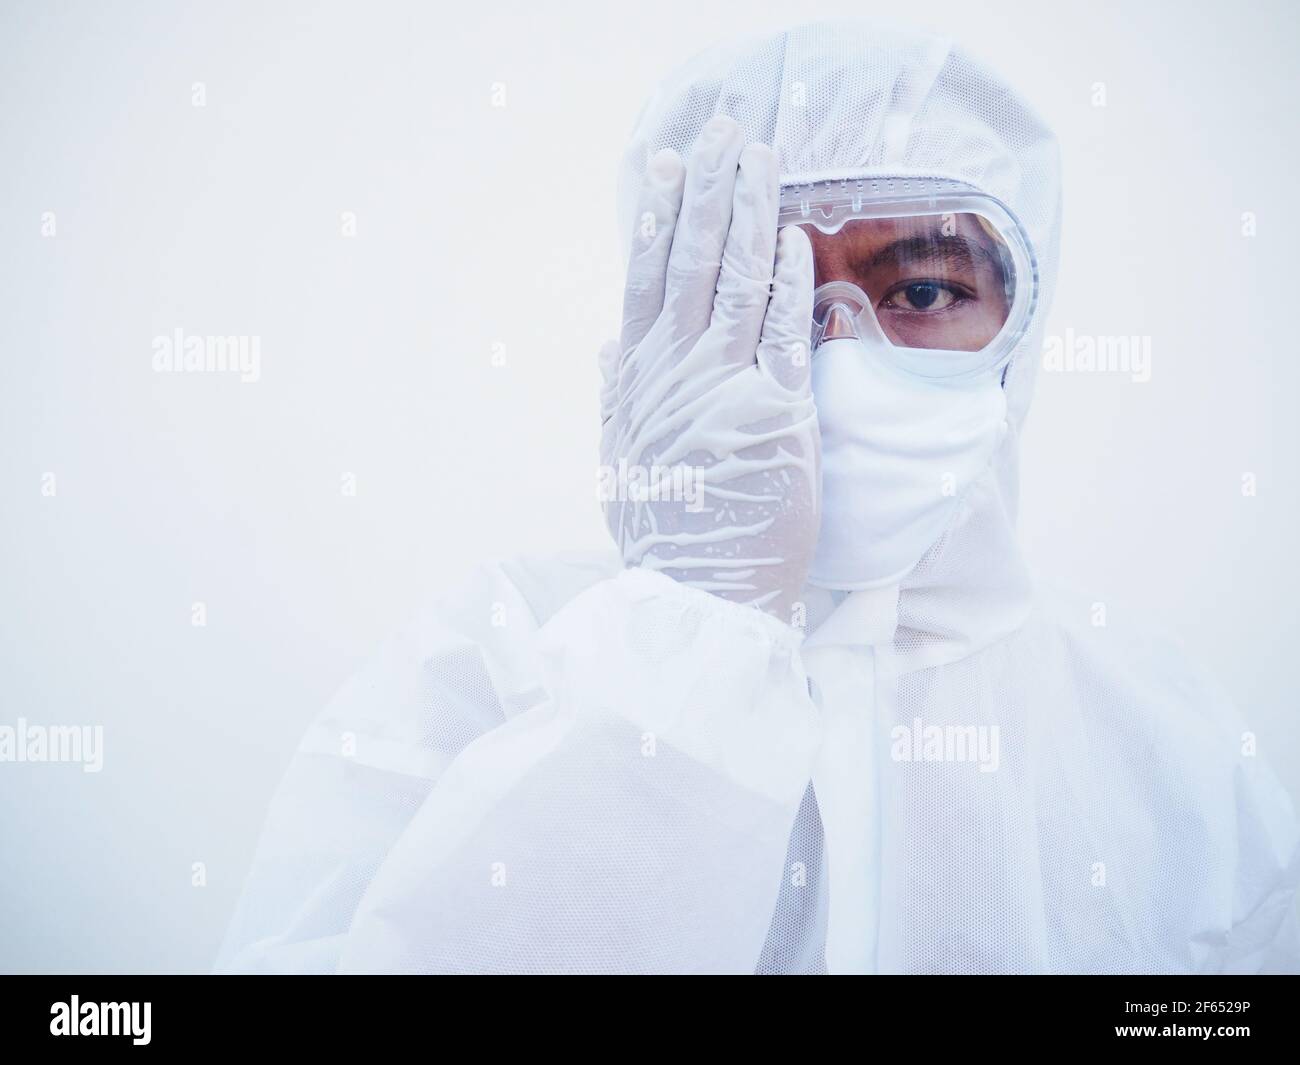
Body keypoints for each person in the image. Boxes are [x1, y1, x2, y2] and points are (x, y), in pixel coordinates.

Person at [216, 22, 1300, 974]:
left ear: (1022, 328)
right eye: (762, 291)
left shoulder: (1169, 756)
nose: (820, 357)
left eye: (921, 292)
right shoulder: (483, 666)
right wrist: (689, 639)